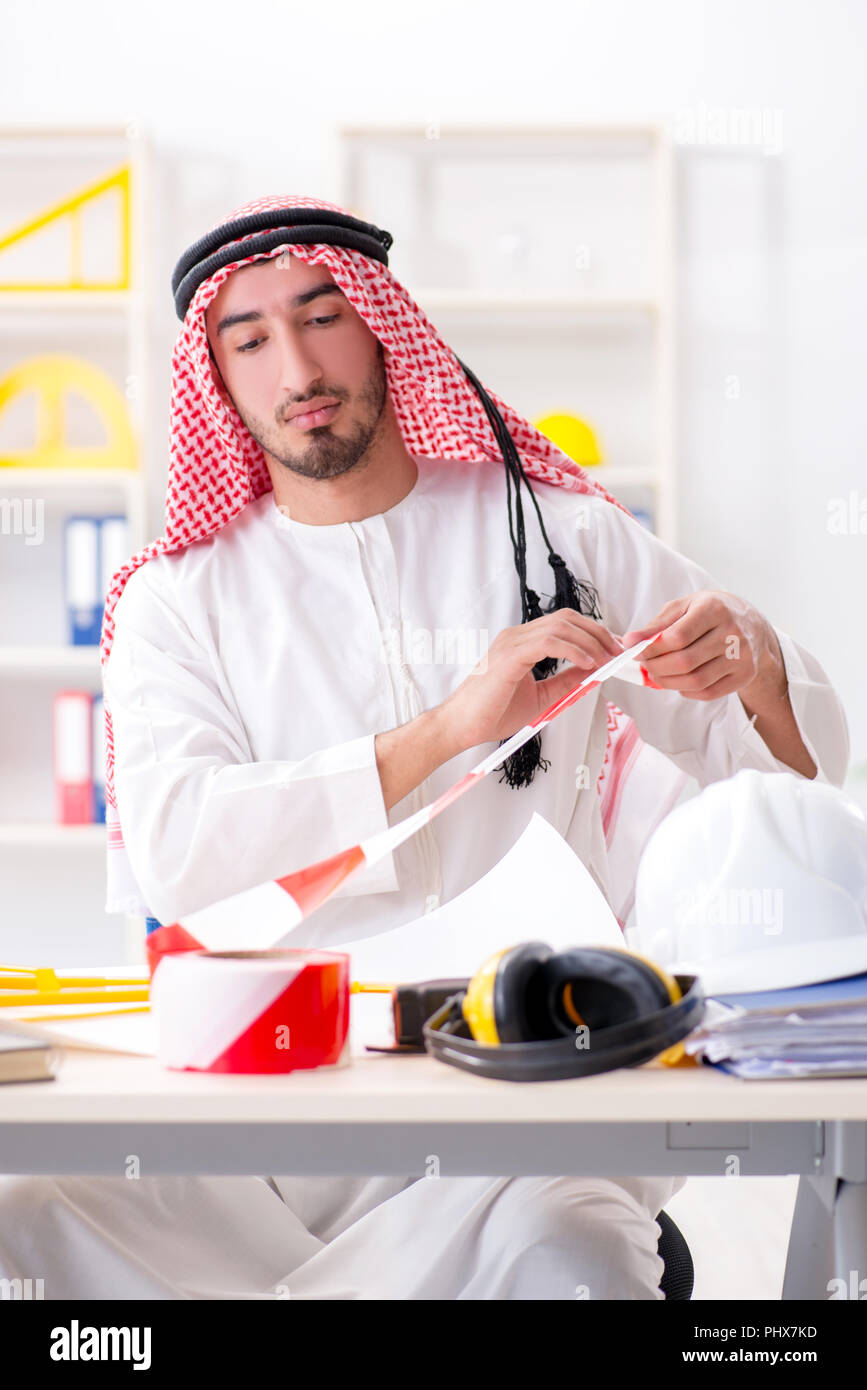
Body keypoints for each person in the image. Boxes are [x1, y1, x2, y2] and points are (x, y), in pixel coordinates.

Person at [0, 195, 848, 1300]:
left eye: (323, 315)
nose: (295, 364)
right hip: (267, 1130)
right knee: (35, 1209)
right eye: (248, 339)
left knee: (567, 1255)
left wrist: (760, 663)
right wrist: (450, 727)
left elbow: (783, 791)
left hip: (529, 1112)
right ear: (214, 374)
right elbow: (177, 846)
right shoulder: (178, 602)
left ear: (390, 327)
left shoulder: (560, 534)